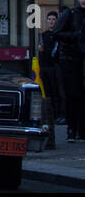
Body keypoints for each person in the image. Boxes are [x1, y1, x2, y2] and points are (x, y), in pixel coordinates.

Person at [50, 0, 85, 141]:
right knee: (72, 95)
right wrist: (75, 36)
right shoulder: (70, 14)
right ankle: (72, 129)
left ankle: (81, 131)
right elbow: (56, 33)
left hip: (82, 61)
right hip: (70, 60)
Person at [39, 11, 60, 148]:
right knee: (47, 92)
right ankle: (52, 114)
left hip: (55, 66)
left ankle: (56, 113)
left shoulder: (58, 35)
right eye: (49, 19)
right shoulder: (44, 35)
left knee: (56, 91)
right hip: (46, 66)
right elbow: (41, 50)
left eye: (53, 19)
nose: (51, 22)